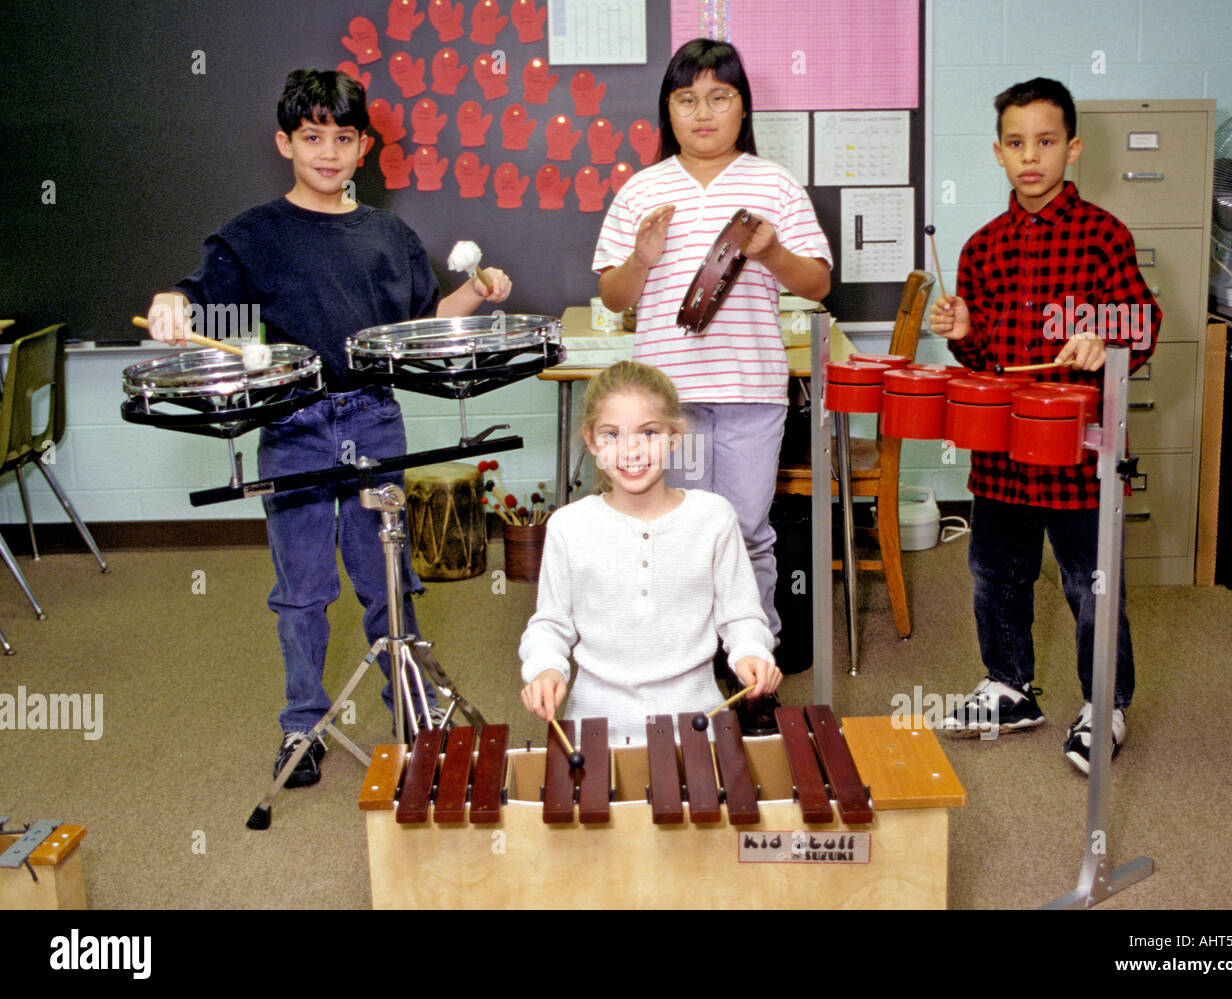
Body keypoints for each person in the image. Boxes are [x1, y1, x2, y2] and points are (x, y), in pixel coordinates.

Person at [146, 69, 511, 787]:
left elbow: (420, 326)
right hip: (294, 426)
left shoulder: (389, 234)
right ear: (285, 142)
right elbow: (194, 293)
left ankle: (411, 710)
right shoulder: (253, 234)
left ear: (365, 147)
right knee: (303, 590)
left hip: (374, 418)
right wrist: (172, 303)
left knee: (388, 579)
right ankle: (301, 726)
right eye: (312, 137)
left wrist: (474, 291)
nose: (328, 152)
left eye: (343, 138)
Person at [592, 38, 831, 723]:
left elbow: (817, 281)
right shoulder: (644, 188)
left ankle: (752, 670)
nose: (703, 112)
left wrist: (772, 251)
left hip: (753, 392)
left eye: (719, 97)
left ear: (743, 106)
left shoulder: (774, 183)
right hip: (670, 402)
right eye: (686, 98)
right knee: (679, 534)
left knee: (749, 530)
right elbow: (613, 295)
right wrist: (642, 258)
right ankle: (685, 668)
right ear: (667, 110)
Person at [927, 77, 1159, 773]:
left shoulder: (1104, 236)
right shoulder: (981, 246)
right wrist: (964, 331)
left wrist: (1104, 338)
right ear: (998, 152)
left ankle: (1104, 703)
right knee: (994, 570)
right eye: (1017, 143)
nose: (1032, 157)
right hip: (1002, 451)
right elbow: (983, 355)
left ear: (1073, 148)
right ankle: (1008, 684)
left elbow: (1142, 323)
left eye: (1047, 141)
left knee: (1091, 580)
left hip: (1079, 451)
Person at [519, 361, 782, 747]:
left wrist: (751, 652)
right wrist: (544, 669)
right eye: (611, 434)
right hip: (594, 725)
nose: (631, 450)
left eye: (649, 432)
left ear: (675, 437)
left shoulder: (713, 517)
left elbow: (741, 616)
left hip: (696, 723)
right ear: (591, 442)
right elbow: (551, 625)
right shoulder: (568, 525)